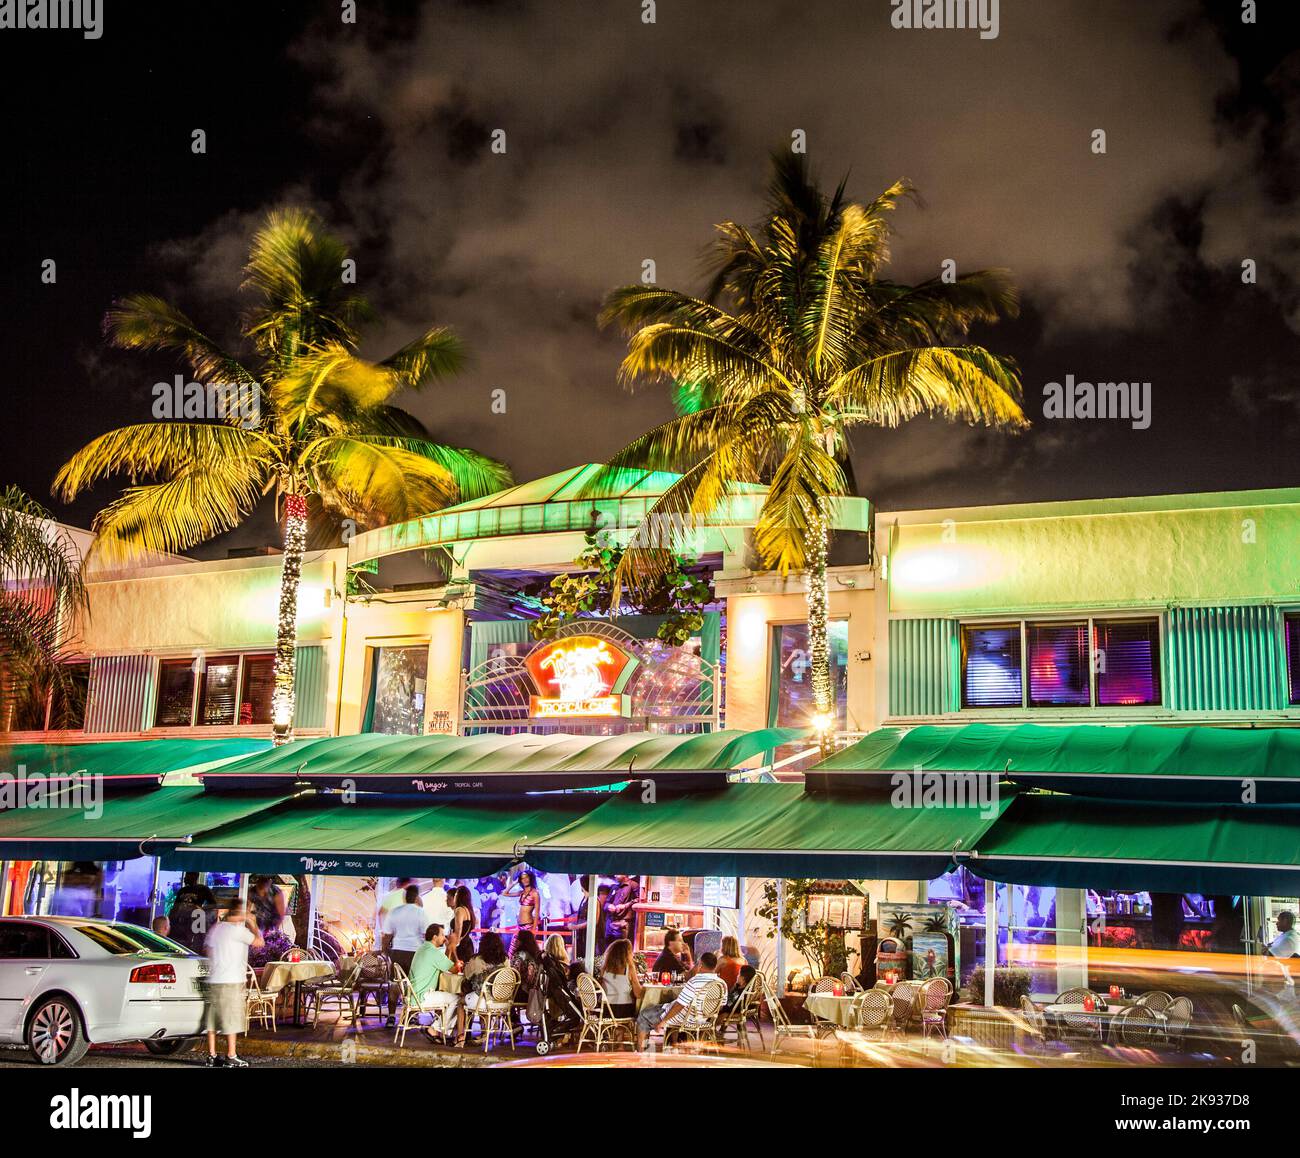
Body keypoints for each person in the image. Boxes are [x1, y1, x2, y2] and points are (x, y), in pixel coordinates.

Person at [202, 897, 264, 1068]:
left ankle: (212, 1055)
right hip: (231, 980)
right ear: (240, 912)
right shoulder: (238, 931)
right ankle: (231, 1055)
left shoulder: (217, 929)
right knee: (232, 1018)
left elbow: (208, 950)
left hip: (215, 979)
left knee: (213, 1019)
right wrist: (253, 923)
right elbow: (260, 942)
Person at [636, 951, 721, 1050]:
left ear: (700, 965)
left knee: (643, 1015)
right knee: (669, 1006)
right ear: (715, 966)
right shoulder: (721, 983)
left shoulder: (694, 982)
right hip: (702, 1019)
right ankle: (673, 1046)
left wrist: (663, 1022)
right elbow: (720, 1005)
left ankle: (640, 1051)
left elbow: (679, 1005)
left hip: (684, 1018)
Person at [409, 924, 465, 1044]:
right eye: (442, 935)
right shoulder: (432, 952)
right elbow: (453, 969)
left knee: (449, 997)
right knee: (457, 1000)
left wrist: (449, 949)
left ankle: (438, 1029)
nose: (444, 938)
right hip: (422, 996)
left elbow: (444, 962)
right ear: (435, 937)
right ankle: (434, 1029)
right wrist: (458, 962)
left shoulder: (424, 948)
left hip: (414, 994)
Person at [383, 884, 430, 979]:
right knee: (413, 982)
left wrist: (384, 950)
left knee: (396, 983)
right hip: (415, 952)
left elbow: (387, 935)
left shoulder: (394, 912)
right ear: (417, 897)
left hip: (398, 951)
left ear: (405, 897)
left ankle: (395, 994)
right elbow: (426, 935)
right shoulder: (421, 912)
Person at [169, 872, 217, 952]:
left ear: (194, 877)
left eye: (187, 876)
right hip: (181, 920)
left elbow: (213, 904)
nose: (184, 878)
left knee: (197, 939)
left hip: (196, 918)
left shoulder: (203, 889)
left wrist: (201, 908)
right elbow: (175, 906)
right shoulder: (182, 890)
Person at [600, 939, 644, 1020]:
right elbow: (638, 994)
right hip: (623, 1009)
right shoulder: (629, 968)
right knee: (642, 1011)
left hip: (606, 1009)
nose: (633, 954)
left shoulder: (604, 968)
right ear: (627, 954)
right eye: (631, 952)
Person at [1266, 910, 1300, 991]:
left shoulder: (1289, 938)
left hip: (1287, 982)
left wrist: (1266, 949)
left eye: (1278, 920)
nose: (1276, 923)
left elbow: (1269, 954)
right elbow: (1270, 946)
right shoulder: (1285, 934)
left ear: (1285, 921)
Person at [503, 869, 542, 934]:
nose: (525, 880)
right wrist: (515, 882)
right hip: (519, 927)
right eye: (522, 878)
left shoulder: (535, 893)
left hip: (529, 926)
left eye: (527, 877)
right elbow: (504, 893)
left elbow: (537, 913)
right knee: (514, 944)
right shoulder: (521, 892)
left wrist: (534, 930)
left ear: (530, 878)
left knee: (526, 944)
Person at [604, 874, 640, 943]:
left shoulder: (633, 885)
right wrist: (609, 906)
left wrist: (625, 905)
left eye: (618, 874)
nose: (615, 875)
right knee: (608, 947)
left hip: (623, 923)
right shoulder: (615, 887)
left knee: (621, 946)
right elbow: (606, 903)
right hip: (610, 923)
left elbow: (639, 899)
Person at [449, 884, 478, 965]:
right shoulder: (469, 910)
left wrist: (452, 951)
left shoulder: (459, 910)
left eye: (455, 894)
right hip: (468, 945)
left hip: (461, 948)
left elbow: (457, 933)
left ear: (459, 896)